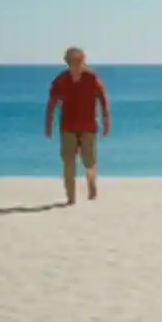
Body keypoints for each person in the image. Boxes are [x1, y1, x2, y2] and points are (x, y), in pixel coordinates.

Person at [44, 46, 111, 204]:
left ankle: (92, 185)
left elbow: (102, 98)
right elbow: (52, 103)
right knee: (68, 162)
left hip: (88, 127)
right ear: (68, 63)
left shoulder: (91, 78)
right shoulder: (61, 80)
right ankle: (71, 197)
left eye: (79, 61)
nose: (76, 65)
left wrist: (106, 119)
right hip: (68, 127)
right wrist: (48, 123)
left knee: (89, 162)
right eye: (73, 62)